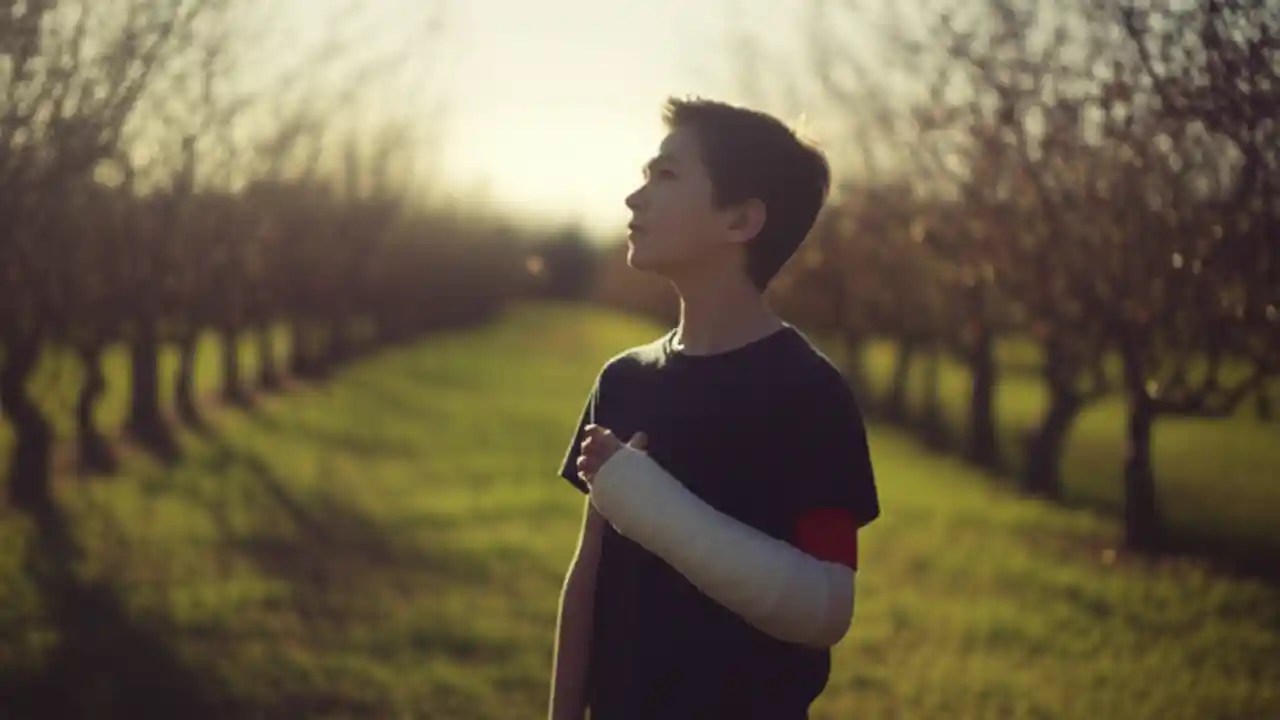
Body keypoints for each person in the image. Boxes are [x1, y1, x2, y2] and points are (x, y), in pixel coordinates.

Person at [548, 97, 881, 720]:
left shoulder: (810, 396)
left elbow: (824, 608)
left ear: (740, 220)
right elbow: (588, 576)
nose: (634, 199)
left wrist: (653, 506)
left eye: (665, 176)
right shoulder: (622, 379)